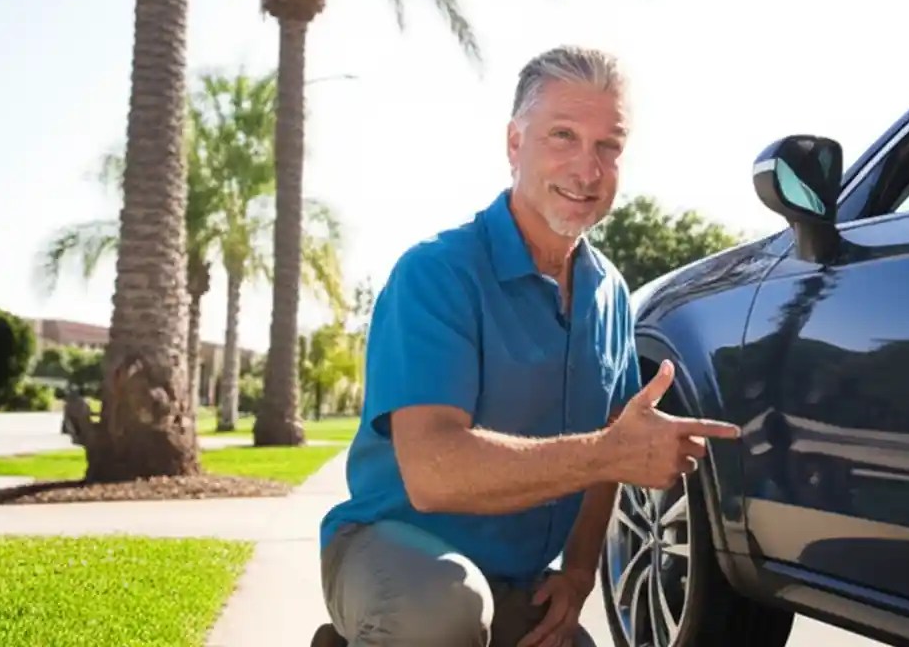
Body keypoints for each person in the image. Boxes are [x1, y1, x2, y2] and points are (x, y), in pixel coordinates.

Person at [312, 45, 743, 647]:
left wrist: (577, 574)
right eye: (563, 136)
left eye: (608, 147)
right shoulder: (436, 273)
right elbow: (433, 473)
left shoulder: (610, 295)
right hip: (394, 553)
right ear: (515, 143)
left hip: (515, 581)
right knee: (441, 611)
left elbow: (608, 459)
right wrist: (606, 452)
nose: (587, 170)